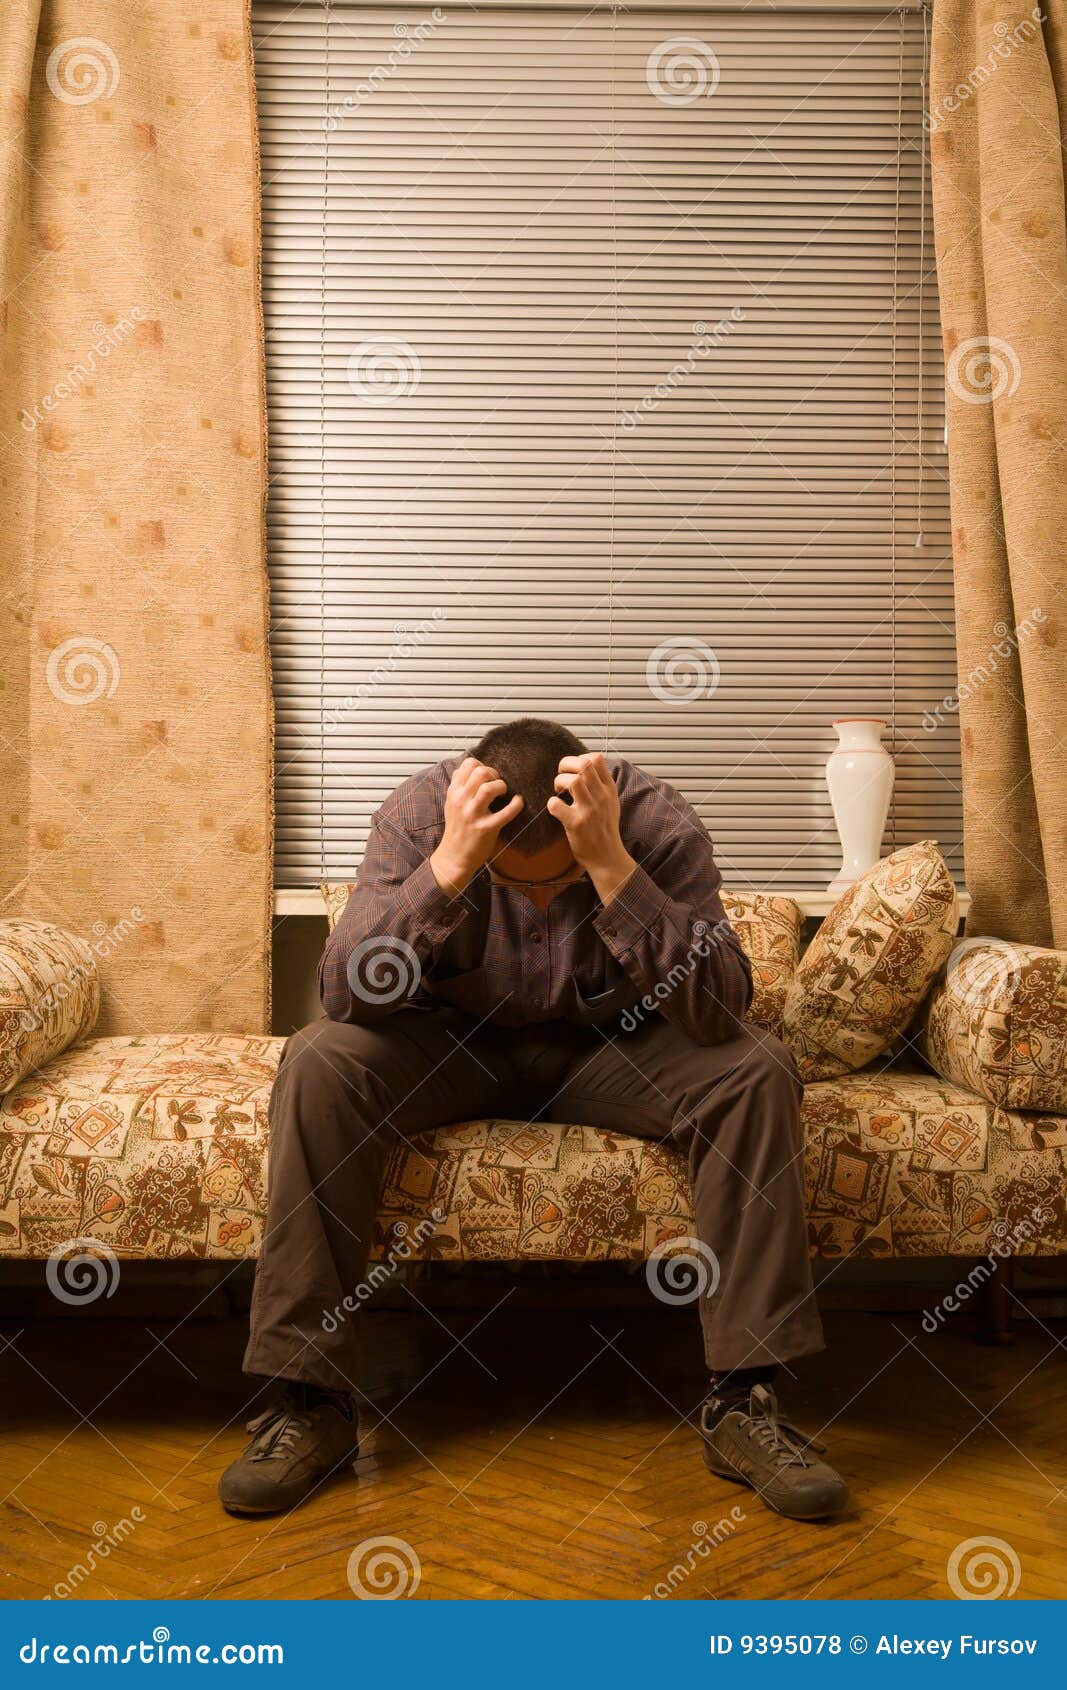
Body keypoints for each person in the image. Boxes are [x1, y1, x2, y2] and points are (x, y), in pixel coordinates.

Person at [219, 717, 845, 1521]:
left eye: (561, 884)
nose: (543, 902)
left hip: (610, 1054)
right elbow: (345, 996)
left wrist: (611, 867)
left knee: (756, 1070)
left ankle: (743, 1403)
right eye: (519, 889)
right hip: (452, 1051)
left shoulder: (652, 821)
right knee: (319, 1061)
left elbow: (719, 1009)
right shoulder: (420, 815)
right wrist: (449, 868)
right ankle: (308, 1402)